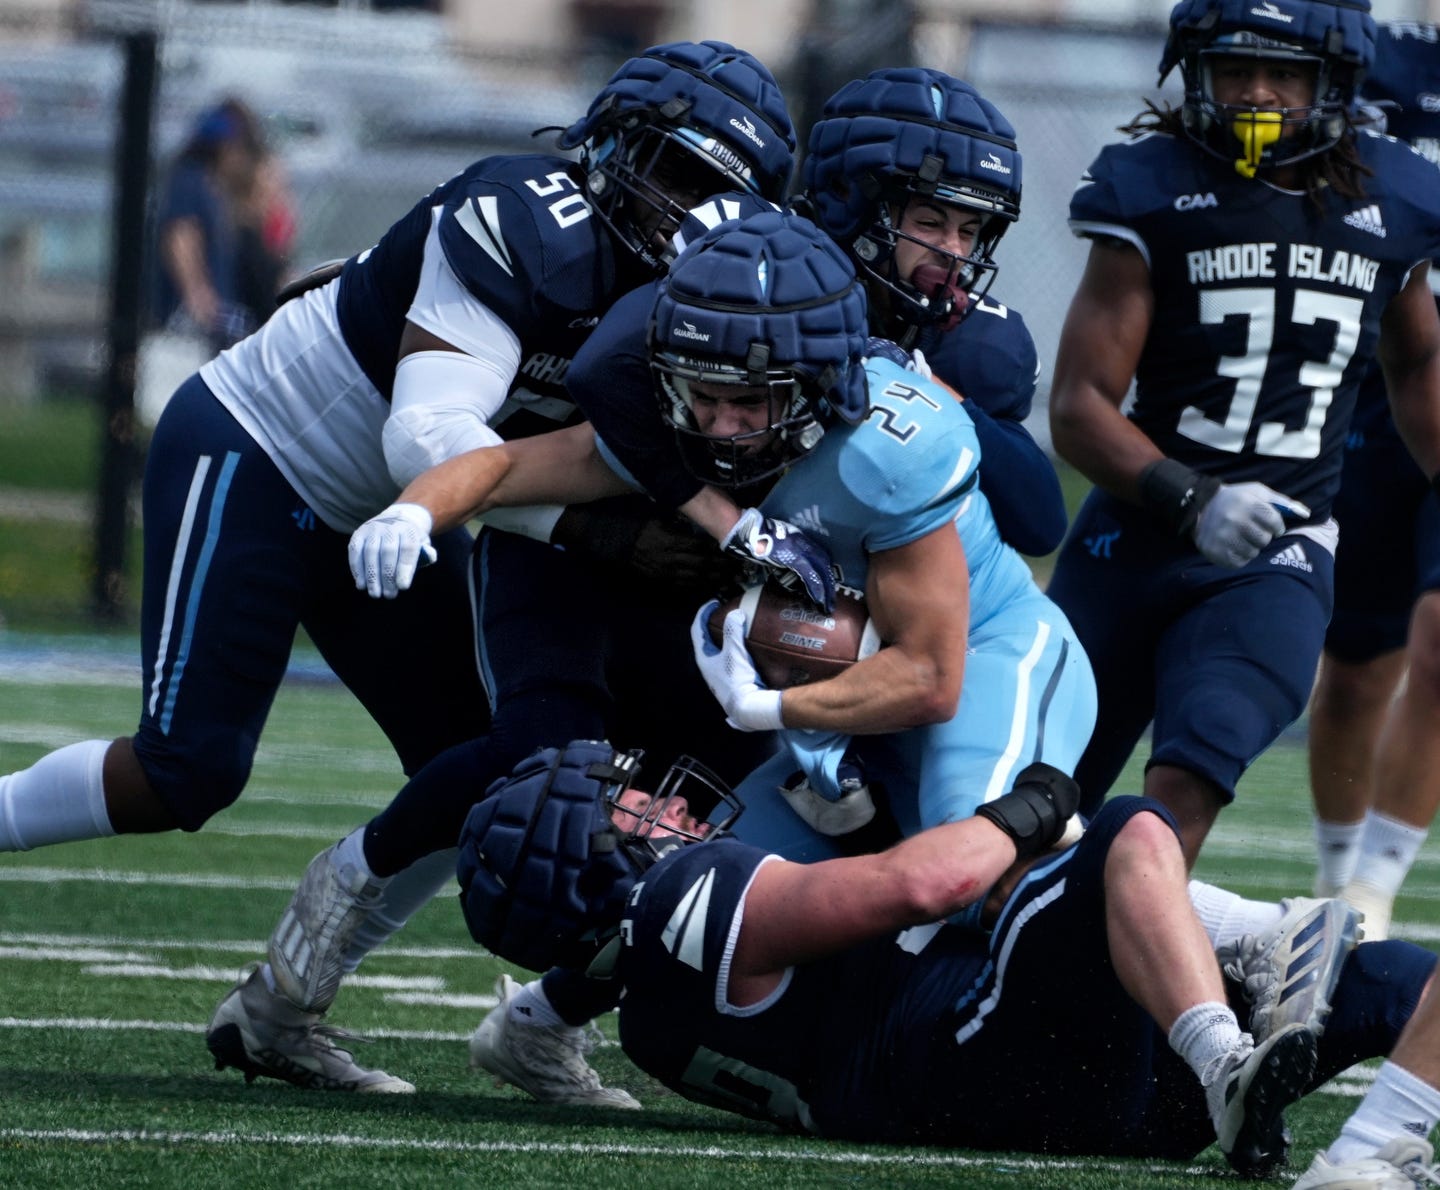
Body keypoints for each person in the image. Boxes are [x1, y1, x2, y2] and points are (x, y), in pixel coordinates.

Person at [0, 39, 791, 1090]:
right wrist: (585, 531)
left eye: (717, 193)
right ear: (611, 147)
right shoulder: (528, 222)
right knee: (186, 771)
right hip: (262, 450)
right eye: (676, 173)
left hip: (392, 518)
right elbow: (425, 436)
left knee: (494, 770)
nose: (687, 213)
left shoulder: (688, 296)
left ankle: (279, 1008)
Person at [457, 738, 1429, 1177]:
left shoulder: (648, 1019)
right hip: (982, 1055)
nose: (660, 805)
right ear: (582, 868)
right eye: (623, 809)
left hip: (1047, 1094)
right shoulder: (678, 896)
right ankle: (1229, 1051)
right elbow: (917, 889)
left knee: (1400, 983)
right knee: (1127, 828)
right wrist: (1032, 803)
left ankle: (1249, 1025)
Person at [1044, 0, 1440, 869]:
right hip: (1133, 535)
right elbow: (1078, 405)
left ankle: (1135, 989)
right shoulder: (1148, 189)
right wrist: (1191, 497)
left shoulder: (1398, 198)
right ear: (1195, 69)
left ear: (1334, 80)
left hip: (1280, 553)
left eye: (1285, 73)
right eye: (1235, 69)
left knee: (1187, 780)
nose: (1256, 94)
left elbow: (1415, 365)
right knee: (1035, 795)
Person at [1306, 20, 1440, 943]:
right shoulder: (1372, 56)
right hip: (1377, 383)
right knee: (1355, 671)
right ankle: (1335, 875)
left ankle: (1376, 893)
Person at [150, 97, 265, 351]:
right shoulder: (190, 179)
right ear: (226, 147)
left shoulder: (215, 187)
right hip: (189, 322)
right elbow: (181, 236)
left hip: (215, 317)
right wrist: (197, 294)